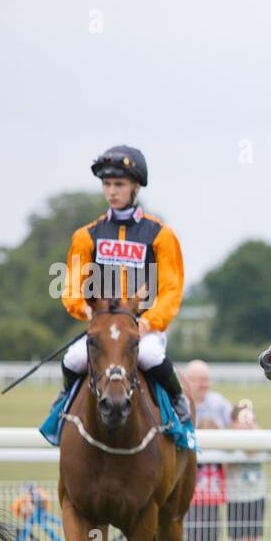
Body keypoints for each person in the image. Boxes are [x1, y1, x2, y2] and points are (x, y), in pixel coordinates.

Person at [57, 145, 192, 425]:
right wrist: (88, 312)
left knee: (152, 355)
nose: (112, 191)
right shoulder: (86, 236)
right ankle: (63, 404)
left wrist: (148, 323)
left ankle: (178, 401)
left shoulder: (162, 235)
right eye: (107, 184)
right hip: (103, 327)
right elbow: (72, 288)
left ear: (135, 188)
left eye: (119, 184)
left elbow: (171, 289)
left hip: (143, 327)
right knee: (72, 359)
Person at [226, 400, 266, 541]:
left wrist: (254, 429)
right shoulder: (230, 439)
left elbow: (267, 444)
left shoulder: (259, 436)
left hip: (256, 495)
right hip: (236, 497)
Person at [184, 360, 233, 429]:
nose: (204, 384)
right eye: (200, 380)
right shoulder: (176, 405)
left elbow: (236, 422)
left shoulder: (219, 402)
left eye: (206, 380)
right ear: (187, 381)